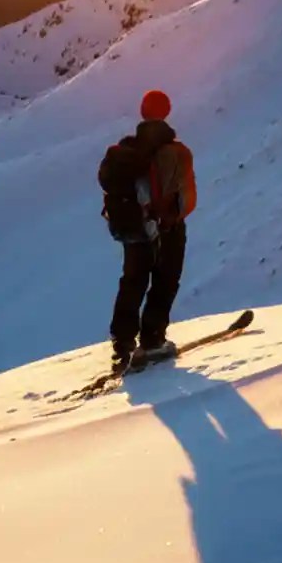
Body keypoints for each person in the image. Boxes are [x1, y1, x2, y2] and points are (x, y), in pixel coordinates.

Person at [100, 90, 197, 373]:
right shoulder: (176, 152)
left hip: (133, 228)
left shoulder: (126, 150)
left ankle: (123, 344)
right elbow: (186, 197)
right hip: (166, 227)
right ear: (167, 112)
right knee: (165, 280)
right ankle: (153, 341)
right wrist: (171, 217)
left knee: (133, 281)